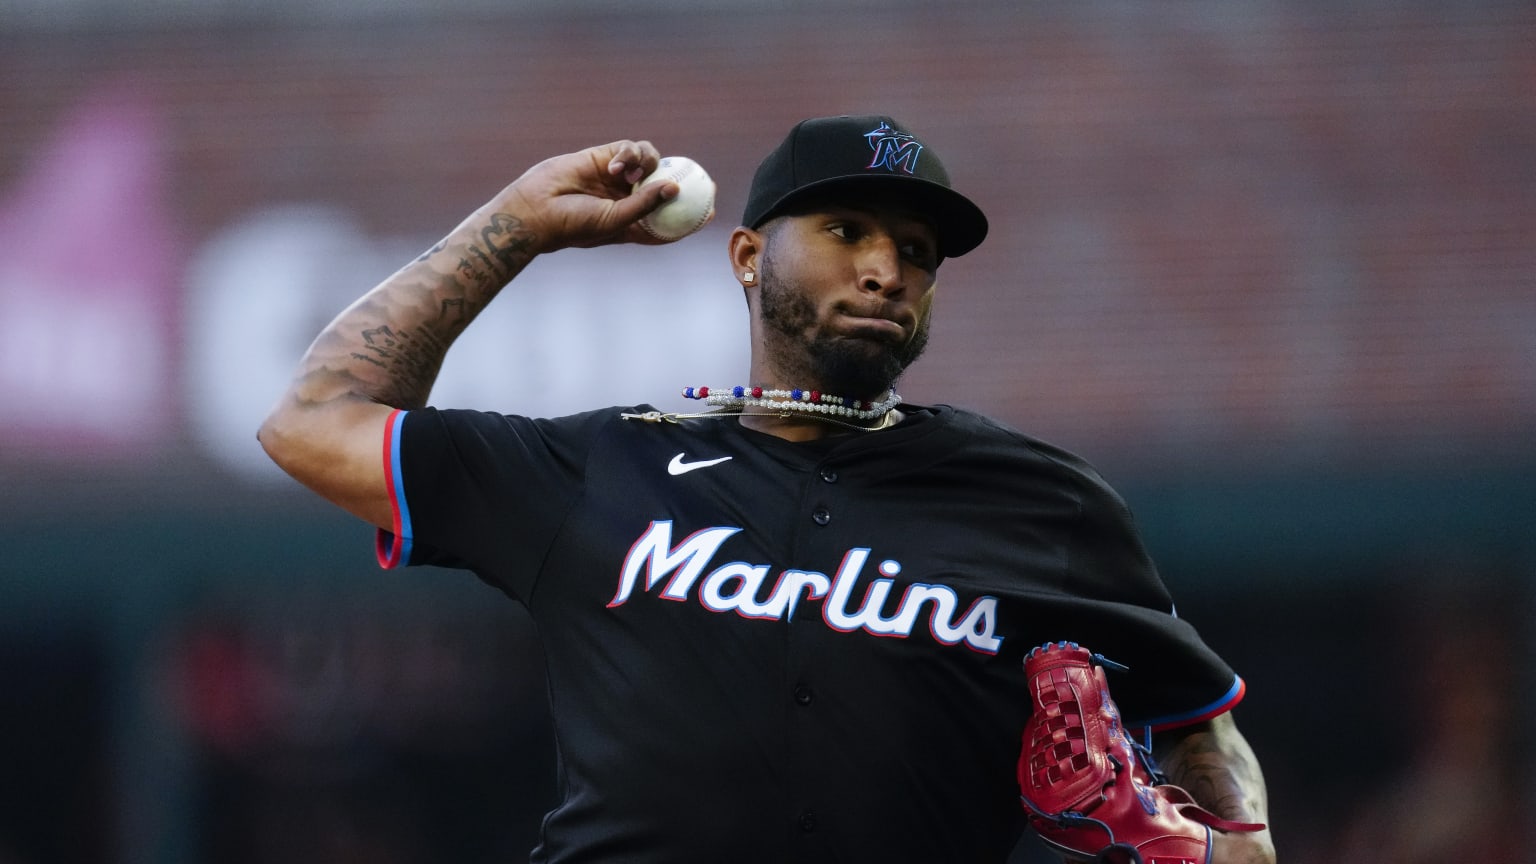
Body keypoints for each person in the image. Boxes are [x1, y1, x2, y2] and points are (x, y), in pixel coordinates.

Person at [258, 114, 1276, 864]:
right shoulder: (605, 468)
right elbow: (312, 424)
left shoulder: (1040, 502)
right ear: (748, 256)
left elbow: (1204, 734)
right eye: (846, 230)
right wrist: (518, 226)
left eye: (915, 254)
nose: (886, 269)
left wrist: (1228, 843)